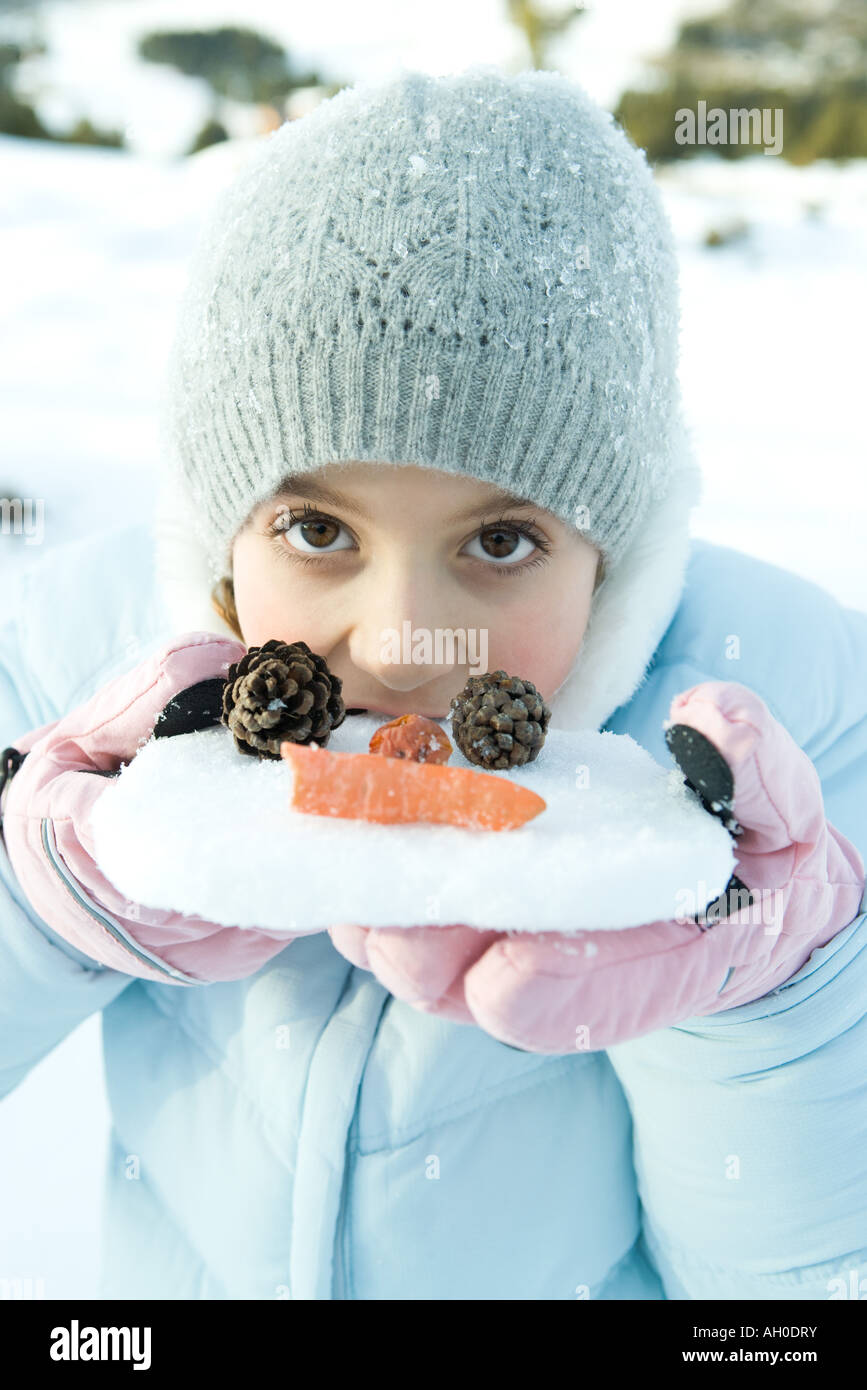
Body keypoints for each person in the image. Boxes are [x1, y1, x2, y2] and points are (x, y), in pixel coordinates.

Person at [1, 66, 865, 1301]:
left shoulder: (774, 727)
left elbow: (795, 1300)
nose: (405, 644)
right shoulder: (82, 657)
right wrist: (37, 914)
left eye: (500, 542)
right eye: (317, 531)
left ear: (609, 553)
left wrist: (778, 1004)